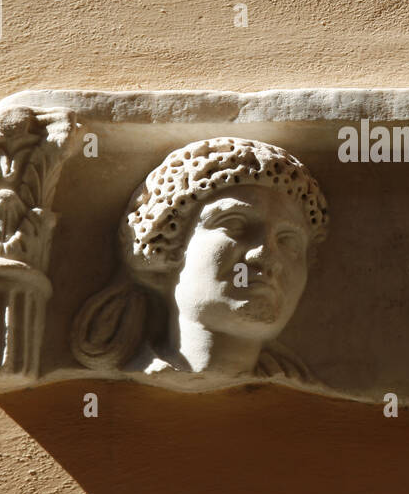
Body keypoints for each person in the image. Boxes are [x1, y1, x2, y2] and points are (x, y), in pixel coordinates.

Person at [71, 137, 328, 385]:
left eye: (288, 241)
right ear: (169, 245)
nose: (265, 256)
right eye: (234, 224)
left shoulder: (314, 407)